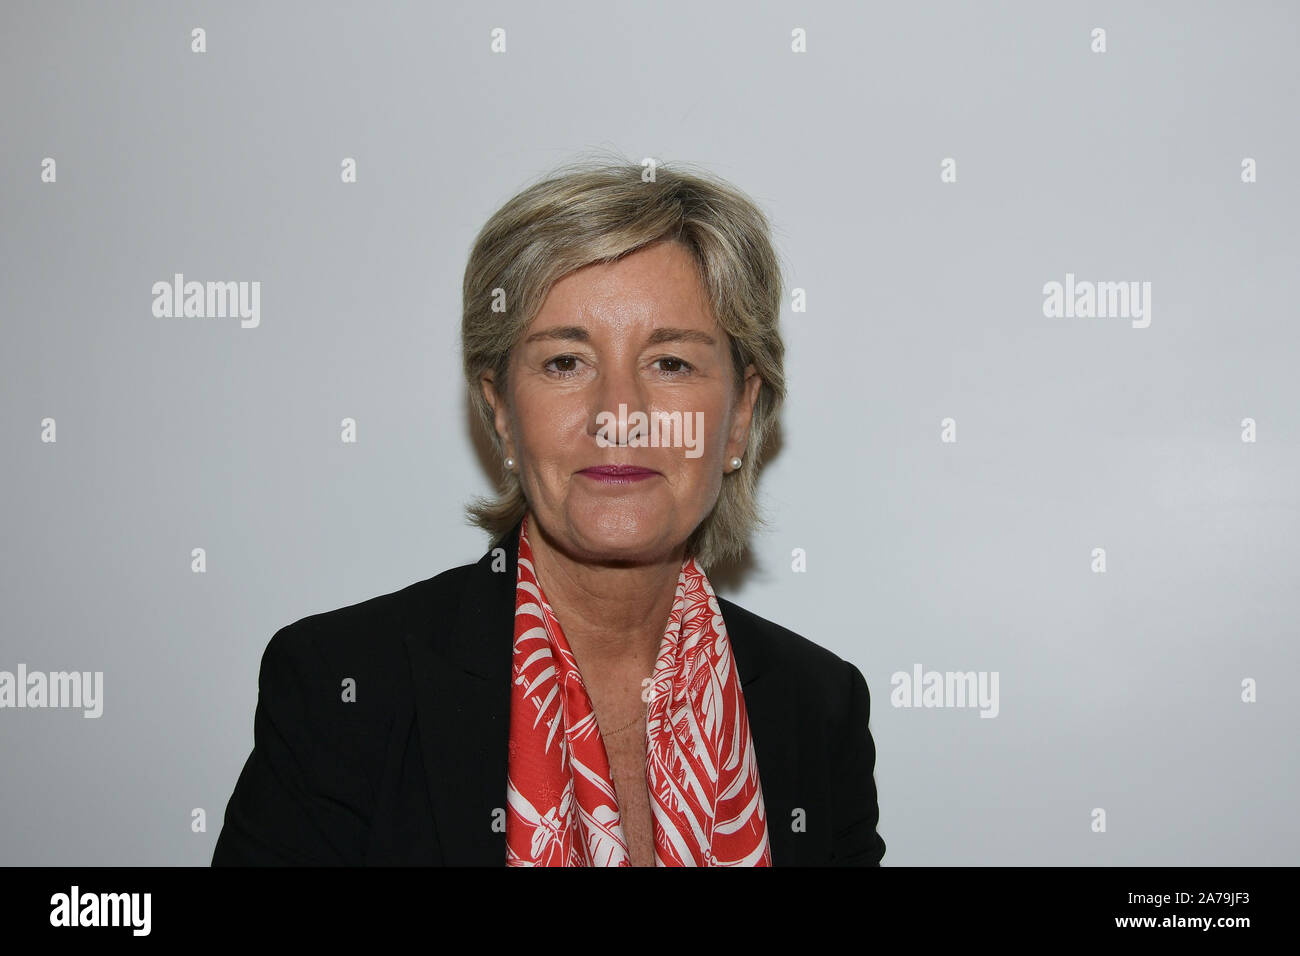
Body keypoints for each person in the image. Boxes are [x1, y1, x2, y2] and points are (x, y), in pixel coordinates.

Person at [212, 158, 885, 866]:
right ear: (501, 411)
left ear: (742, 417)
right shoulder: (343, 687)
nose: (619, 415)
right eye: (566, 362)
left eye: (671, 364)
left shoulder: (819, 706)